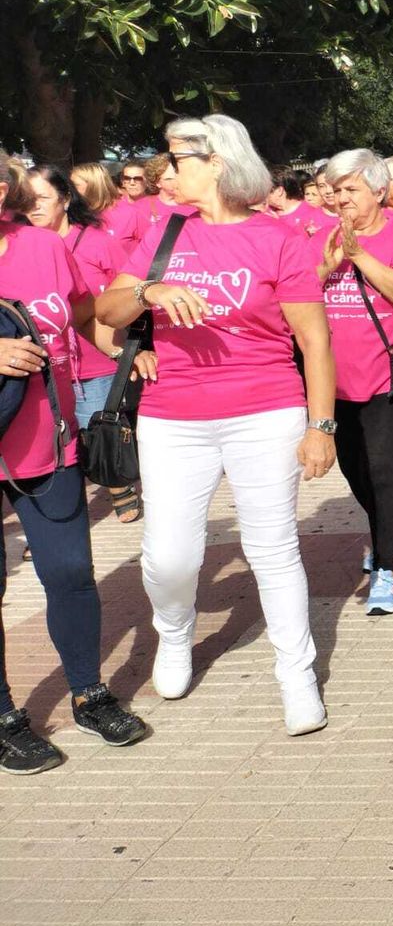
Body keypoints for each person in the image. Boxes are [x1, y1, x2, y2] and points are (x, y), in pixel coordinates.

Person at [98, 114, 336, 736]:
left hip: (267, 411)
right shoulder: (163, 230)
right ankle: (173, 632)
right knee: (170, 556)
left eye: (178, 161)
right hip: (174, 417)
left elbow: (314, 340)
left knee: (273, 548)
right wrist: (151, 291)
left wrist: (322, 425)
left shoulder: (279, 238)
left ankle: (297, 675)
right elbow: (107, 308)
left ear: (217, 163)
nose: (167, 173)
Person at [0, 157, 149, 773]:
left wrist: (127, 359)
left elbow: (83, 314)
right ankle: (5, 717)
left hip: (46, 440)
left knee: (70, 573)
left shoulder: (40, 243)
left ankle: (89, 694)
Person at [316, 149, 393, 613]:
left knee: (382, 468)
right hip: (332, 379)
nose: (342, 199)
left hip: (389, 374)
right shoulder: (322, 237)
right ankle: (389, 526)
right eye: (337, 190)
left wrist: (358, 256)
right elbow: (301, 291)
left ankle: (385, 569)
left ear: (380, 192)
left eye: (351, 190)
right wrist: (328, 262)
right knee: (353, 469)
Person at [25, 167, 146, 523]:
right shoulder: (19, 247)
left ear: (64, 199)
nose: (34, 207)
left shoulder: (95, 241)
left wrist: (123, 344)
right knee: (57, 446)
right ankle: (58, 520)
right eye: (27, 200)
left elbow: (127, 294)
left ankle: (116, 483)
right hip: (44, 364)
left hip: (96, 358)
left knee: (96, 431)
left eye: (43, 198)